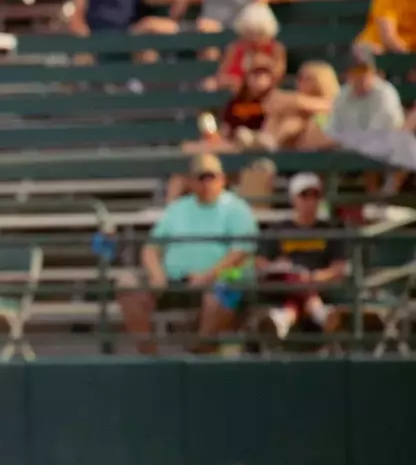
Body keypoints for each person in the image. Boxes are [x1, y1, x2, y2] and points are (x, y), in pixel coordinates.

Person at [118, 153, 258, 354]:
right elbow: (151, 247)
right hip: (174, 279)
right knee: (128, 284)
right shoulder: (177, 209)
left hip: (222, 278)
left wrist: (207, 276)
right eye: (202, 177)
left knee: (221, 292)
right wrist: (157, 274)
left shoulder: (238, 209)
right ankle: (150, 357)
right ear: (191, 181)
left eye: (213, 177)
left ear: (223, 179)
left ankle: (201, 354)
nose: (207, 183)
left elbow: (240, 252)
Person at [254, 173, 347, 342]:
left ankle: (284, 319)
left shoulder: (331, 231)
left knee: (297, 284)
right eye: (304, 195)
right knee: (292, 275)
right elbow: (260, 262)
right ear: (293, 198)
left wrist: (313, 277)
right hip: (282, 285)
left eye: (315, 195)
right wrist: (278, 266)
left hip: (319, 285)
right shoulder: (278, 230)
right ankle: (319, 313)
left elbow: (338, 269)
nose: (310, 201)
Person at [257, 60, 338, 151]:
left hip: (324, 142)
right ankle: (264, 143)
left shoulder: (337, 101)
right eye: (299, 78)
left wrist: (296, 102)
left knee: (296, 121)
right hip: (293, 145)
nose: (300, 82)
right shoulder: (295, 105)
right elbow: (270, 104)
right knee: (288, 119)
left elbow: (330, 105)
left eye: (307, 78)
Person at [210, 2, 286, 92]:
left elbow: (278, 75)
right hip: (234, 96)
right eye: (249, 34)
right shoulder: (234, 48)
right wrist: (233, 82)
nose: (254, 39)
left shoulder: (276, 49)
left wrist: (266, 65)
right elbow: (222, 75)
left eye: (259, 34)